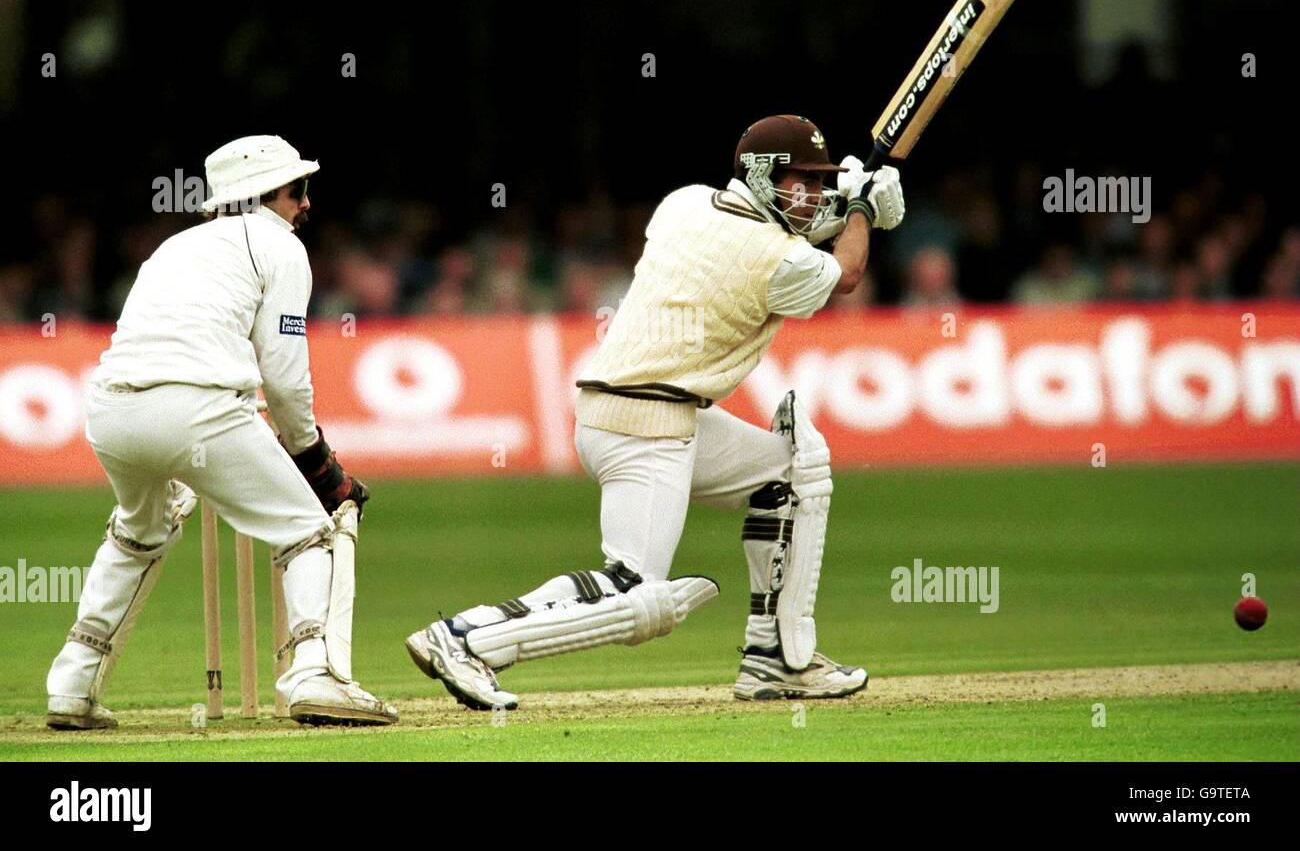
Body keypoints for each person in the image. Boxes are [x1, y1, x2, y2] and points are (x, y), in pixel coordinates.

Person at [406, 115, 904, 707]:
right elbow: (843, 273)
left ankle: (776, 657)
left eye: (820, 182)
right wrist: (859, 211)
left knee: (792, 469)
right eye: (803, 180)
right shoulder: (774, 259)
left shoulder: (685, 203)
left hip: (639, 410)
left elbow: (787, 232)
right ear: (764, 175)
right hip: (644, 422)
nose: (813, 193)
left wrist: (845, 205)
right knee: (635, 593)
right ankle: (467, 638)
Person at [46, 135, 396, 729]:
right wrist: (313, 458)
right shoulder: (279, 248)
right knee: (313, 530)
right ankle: (317, 676)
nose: (306, 203)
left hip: (111, 410)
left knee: (139, 531)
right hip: (198, 411)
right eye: (298, 190)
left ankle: (73, 685)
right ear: (264, 195)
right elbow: (284, 376)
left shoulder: (173, 247)